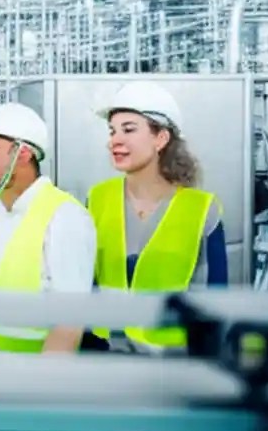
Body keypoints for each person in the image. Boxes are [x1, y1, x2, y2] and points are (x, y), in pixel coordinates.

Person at [87, 82, 228, 354]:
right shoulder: (97, 199)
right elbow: (84, 286)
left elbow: (214, 302)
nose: (114, 140)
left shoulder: (202, 209)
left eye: (129, 129)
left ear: (161, 139)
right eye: (112, 131)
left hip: (174, 364)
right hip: (106, 357)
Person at [0, 103, 96, 355]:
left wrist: (40, 386)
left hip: (30, 386)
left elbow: (69, 323)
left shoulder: (64, 217)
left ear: (24, 153)